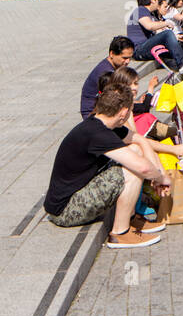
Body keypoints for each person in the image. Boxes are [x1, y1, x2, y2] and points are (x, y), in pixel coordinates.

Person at [44, 82, 172, 248]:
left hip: (74, 194)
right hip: (65, 210)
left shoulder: (103, 124)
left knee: (135, 150)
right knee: (133, 171)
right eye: (131, 110)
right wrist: (162, 178)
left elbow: (141, 141)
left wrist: (159, 176)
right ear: (124, 112)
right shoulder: (97, 134)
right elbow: (144, 168)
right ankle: (120, 233)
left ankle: (132, 218)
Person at [126, 0, 183, 79]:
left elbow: (156, 33)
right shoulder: (140, 10)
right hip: (139, 50)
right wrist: (166, 23)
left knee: (182, 41)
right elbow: (149, 26)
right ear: (152, 0)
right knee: (168, 33)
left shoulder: (149, 14)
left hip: (148, 46)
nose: (157, 2)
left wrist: (175, 37)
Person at [80, 36, 136, 119]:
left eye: (129, 58)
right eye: (124, 58)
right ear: (112, 54)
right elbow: (117, 99)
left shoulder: (112, 67)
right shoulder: (106, 73)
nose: (127, 61)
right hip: (93, 113)